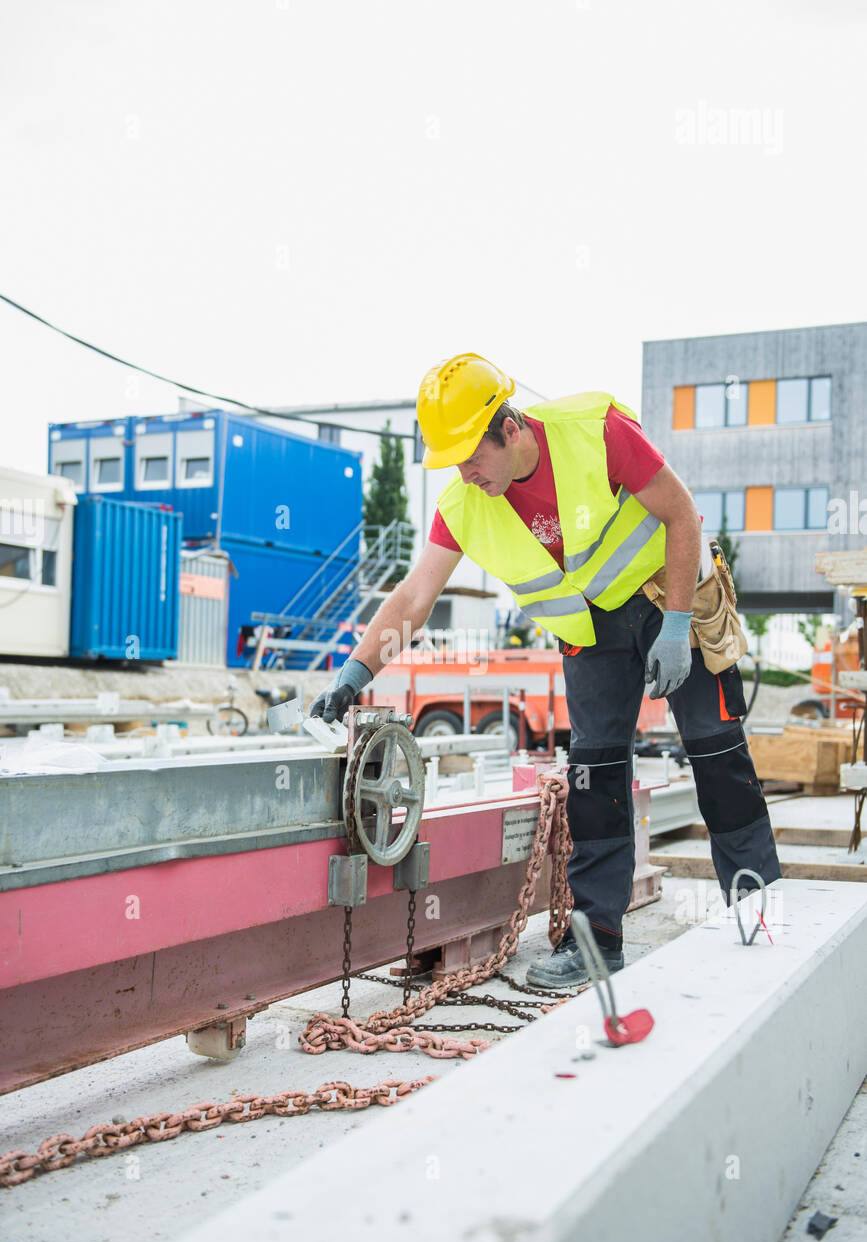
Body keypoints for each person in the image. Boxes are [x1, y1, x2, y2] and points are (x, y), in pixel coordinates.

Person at [311, 353, 781, 987]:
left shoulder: (595, 432)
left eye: (471, 457)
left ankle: (761, 919)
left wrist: (674, 625)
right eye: (453, 462)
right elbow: (412, 599)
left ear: (509, 427)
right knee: (595, 778)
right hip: (592, 633)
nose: (465, 474)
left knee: (718, 755)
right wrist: (353, 675)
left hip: (666, 596)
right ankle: (596, 943)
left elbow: (679, 512)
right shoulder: (465, 504)